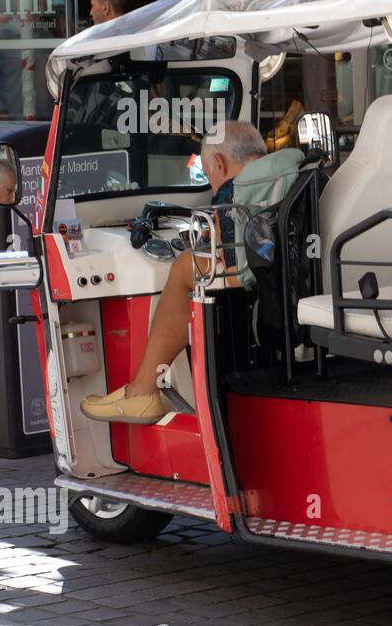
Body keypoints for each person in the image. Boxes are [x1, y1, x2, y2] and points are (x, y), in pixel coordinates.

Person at [80, 120, 267, 425]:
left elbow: (233, 274)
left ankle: (142, 391)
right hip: (285, 286)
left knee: (183, 268)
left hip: (252, 296)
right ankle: (142, 390)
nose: (212, 182)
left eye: (209, 175)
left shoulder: (233, 192)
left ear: (218, 163)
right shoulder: (285, 177)